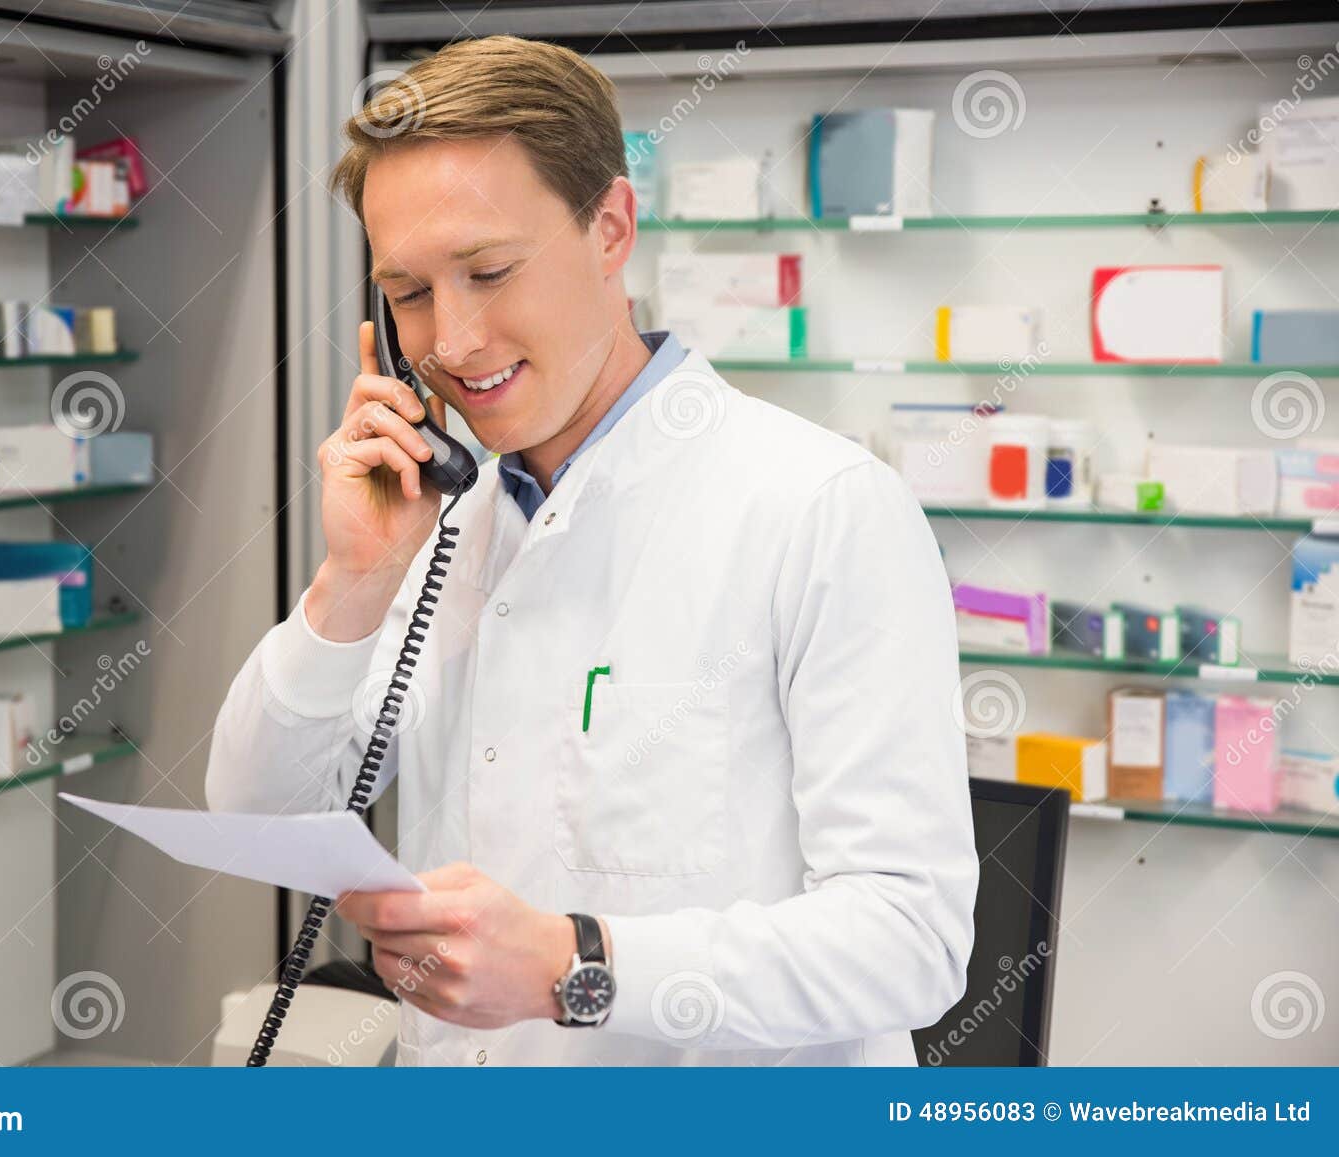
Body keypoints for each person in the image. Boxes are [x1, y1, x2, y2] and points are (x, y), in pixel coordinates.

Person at [206, 34, 977, 1066]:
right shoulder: (445, 521)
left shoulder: (821, 506)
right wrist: (351, 581)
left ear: (611, 226)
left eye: (487, 270)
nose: (456, 339)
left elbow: (910, 941)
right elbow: (259, 812)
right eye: (411, 293)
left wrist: (577, 962)